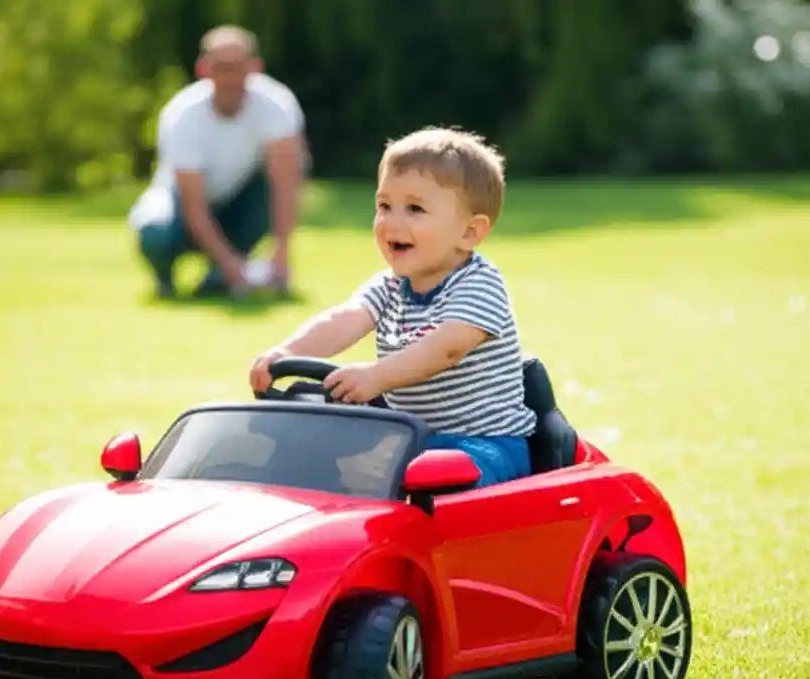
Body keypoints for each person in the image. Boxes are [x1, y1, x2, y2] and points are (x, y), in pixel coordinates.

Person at [248, 127, 537, 488]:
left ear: (469, 233)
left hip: (483, 444)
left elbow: (446, 348)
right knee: (315, 457)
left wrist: (375, 377)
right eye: (384, 206)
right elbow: (345, 319)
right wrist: (288, 351)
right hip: (410, 437)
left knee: (411, 477)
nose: (391, 222)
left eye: (414, 209)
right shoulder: (390, 285)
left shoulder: (479, 284)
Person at [128, 25, 305, 299]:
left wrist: (282, 250)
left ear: (254, 67)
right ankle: (168, 280)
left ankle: (218, 278)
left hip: (240, 201)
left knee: (270, 186)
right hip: (182, 206)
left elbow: (286, 183)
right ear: (204, 68)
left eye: (238, 67)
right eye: (222, 67)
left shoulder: (277, 105)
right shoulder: (182, 115)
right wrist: (229, 263)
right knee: (155, 233)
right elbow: (193, 206)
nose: (230, 77)